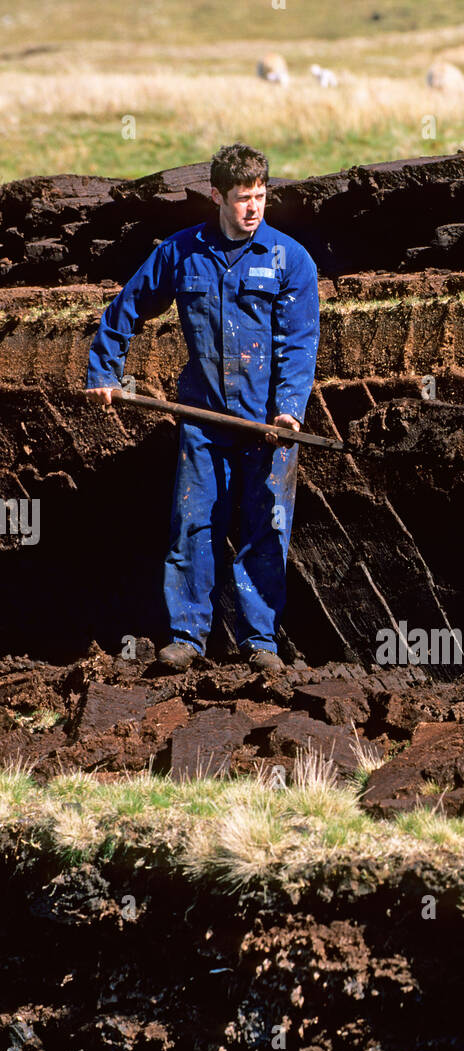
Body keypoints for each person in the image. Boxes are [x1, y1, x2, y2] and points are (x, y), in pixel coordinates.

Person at [84, 143, 320, 675]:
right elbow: (128, 306)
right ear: (217, 195)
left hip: (268, 427)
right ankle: (187, 637)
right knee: (194, 522)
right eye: (242, 198)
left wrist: (287, 413)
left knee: (266, 528)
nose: (253, 208)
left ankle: (259, 642)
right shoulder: (181, 252)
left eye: (261, 197)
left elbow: (299, 345)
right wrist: (104, 371)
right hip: (203, 419)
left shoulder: (289, 260)